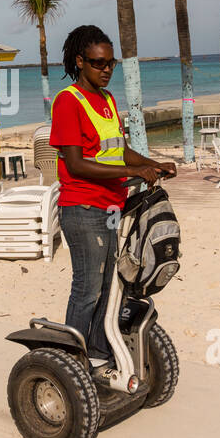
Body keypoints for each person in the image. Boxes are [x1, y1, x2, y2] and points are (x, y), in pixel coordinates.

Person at [49, 25, 177, 369]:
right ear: (80, 61)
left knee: (110, 285)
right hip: (82, 206)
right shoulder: (68, 102)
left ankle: (99, 352)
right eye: (98, 63)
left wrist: (152, 164)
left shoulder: (106, 101)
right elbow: (75, 165)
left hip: (111, 207)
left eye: (111, 64)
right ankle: (70, 364)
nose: (106, 70)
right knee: (87, 287)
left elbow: (119, 151)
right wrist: (134, 173)